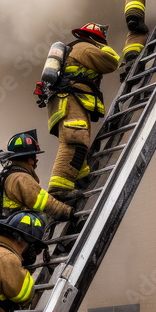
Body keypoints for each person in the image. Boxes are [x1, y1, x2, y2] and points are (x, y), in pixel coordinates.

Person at [46, 23, 120, 194]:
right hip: (71, 99)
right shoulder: (84, 47)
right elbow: (112, 62)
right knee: (76, 140)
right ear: (94, 38)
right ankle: (58, 189)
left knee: (79, 143)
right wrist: (102, 45)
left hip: (69, 101)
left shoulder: (73, 49)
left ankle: (80, 178)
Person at [0, 130, 75, 222]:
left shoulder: (10, 175)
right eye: (35, 157)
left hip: (11, 225)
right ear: (30, 159)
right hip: (21, 227)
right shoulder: (21, 178)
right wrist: (68, 212)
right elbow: (44, 203)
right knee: (46, 218)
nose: (36, 161)